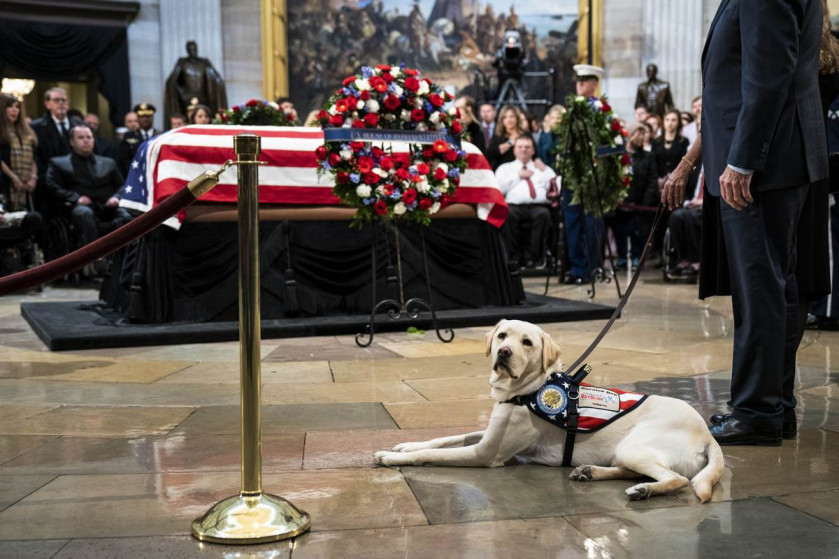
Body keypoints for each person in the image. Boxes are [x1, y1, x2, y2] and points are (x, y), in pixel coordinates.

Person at [662, 0, 827, 446]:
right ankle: (775, 406)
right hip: (783, 159)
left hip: (763, 166)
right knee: (778, 287)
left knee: (761, 289)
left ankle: (756, 410)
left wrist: (742, 160)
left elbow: (769, 75)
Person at [45, 124, 129, 252]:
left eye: (89, 137)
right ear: (72, 142)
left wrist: (116, 197)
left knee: (126, 215)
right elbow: (51, 186)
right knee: (84, 214)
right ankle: (94, 257)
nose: (86, 140)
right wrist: (75, 198)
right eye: (81, 137)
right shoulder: (59, 163)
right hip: (80, 207)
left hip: (108, 206)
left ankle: (128, 256)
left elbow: (123, 185)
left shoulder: (108, 162)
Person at [561, 64, 608, 284]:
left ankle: (592, 267)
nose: (580, 83)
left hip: (593, 174)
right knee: (572, 223)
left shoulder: (602, 110)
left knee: (591, 224)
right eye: (578, 80)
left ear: (594, 83)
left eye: (585, 79)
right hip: (572, 174)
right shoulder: (569, 109)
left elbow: (610, 142)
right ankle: (577, 269)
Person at [496, 136, 556, 268]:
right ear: (514, 150)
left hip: (538, 207)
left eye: (527, 147)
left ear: (533, 151)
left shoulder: (542, 168)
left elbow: (554, 188)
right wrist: (518, 176)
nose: (524, 150)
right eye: (520, 147)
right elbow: (497, 189)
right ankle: (514, 258)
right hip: (513, 207)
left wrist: (543, 172)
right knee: (508, 215)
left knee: (543, 215)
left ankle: (533, 259)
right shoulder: (505, 168)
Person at [606, 123, 658, 271]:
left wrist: (645, 201)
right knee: (620, 230)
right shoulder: (619, 154)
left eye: (643, 134)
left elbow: (652, 180)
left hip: (639, 201)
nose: (640, 137)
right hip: (620, 202)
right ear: (630, 133)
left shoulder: (648, 157)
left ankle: (636, 257)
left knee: (637, 231)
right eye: (638, 133)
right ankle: (622, 256)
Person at [0, 94, 44, 267]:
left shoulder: (27, 131)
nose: (14, 110)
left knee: (33, 221)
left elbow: (35, 158)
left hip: (27, 186)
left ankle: (28, 261)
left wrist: (33, 176)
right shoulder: (2, 132)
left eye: (17, 107)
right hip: (6, 184)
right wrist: (14, 178)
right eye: (10, 107)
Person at [164, 41, 228, 124]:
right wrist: (181, 93)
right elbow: (172, 81)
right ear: (187, 50)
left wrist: (219, 83)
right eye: (191, 49)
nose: (193, 51)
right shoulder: (182, 63)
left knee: (203, 114)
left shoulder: (204, 62)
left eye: (195, 48)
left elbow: (216, 78)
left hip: (203, 97)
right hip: (186, 98)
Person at [118, 103, 158, 176]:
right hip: (134, 176)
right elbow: (123, 161)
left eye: (147, 116)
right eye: (141, 117)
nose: (145, 119)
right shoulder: (128, 136)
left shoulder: (160, 136)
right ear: (138, 118)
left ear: (152, 117)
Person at [486, 105, 528, 171]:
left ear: (517, 118)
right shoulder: (498, 135)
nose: (509, 120)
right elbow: (490, 153)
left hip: (521, 170)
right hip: (501, 171)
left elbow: (534, 153)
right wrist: (509, 143)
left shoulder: (525, 134)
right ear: (502, 120)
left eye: (512, 116)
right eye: (505, 117)